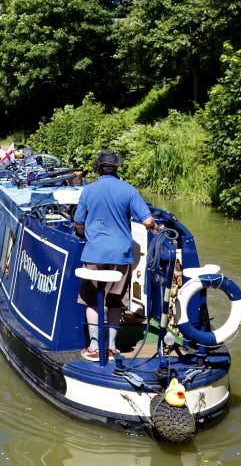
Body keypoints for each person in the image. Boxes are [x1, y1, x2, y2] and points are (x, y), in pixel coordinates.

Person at [72, 149, 160, 362]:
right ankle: (111, 347)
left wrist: (86, 233)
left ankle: (94, 346)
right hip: (121, 254)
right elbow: (147, 222)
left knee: (92, 301)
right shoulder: (129, 190)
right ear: (117, 167)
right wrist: (157, 227)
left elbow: (78, 222)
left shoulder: (88, 190)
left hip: (94, 253)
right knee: (115, 302)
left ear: (98, 168)